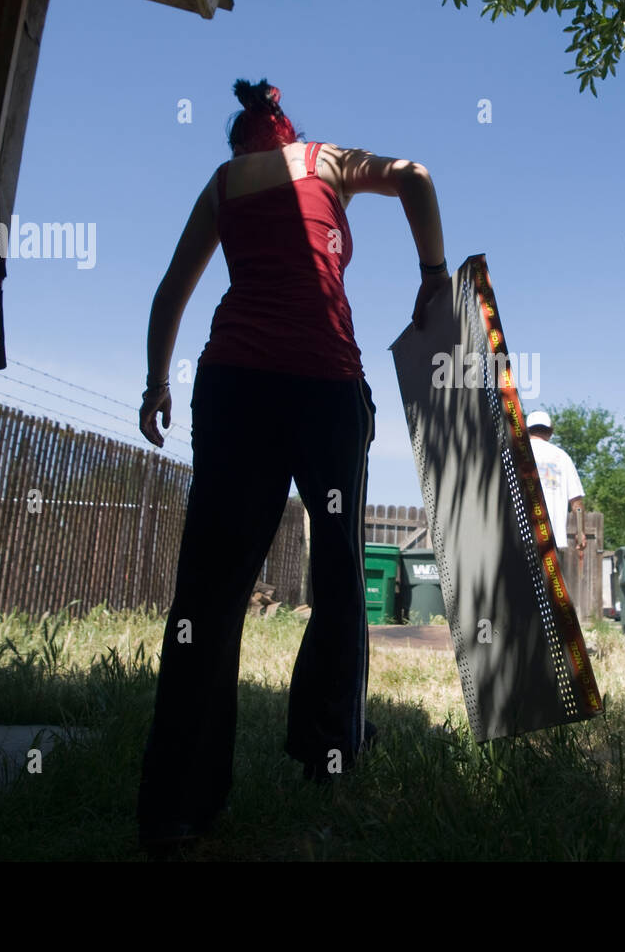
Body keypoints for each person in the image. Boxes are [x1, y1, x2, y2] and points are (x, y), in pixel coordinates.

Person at [135, 78, 449, 856]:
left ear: (240, 142)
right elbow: (416, 174)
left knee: (207, 591)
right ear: (286, 130)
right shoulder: (325, 159)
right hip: (324, 385)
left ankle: (176, 807)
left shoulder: (224, 182)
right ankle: (328, 752)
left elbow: (172, 289)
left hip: (235, 383)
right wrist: (433, 274)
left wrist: (155, 384)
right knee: (339, 575)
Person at [526, 410, 586, 553]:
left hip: (521, 537)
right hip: (552, 541)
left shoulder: (515, 454)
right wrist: (580, 531)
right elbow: (576, 503)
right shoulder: (562, 457)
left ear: (526, 431)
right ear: (550, 432)